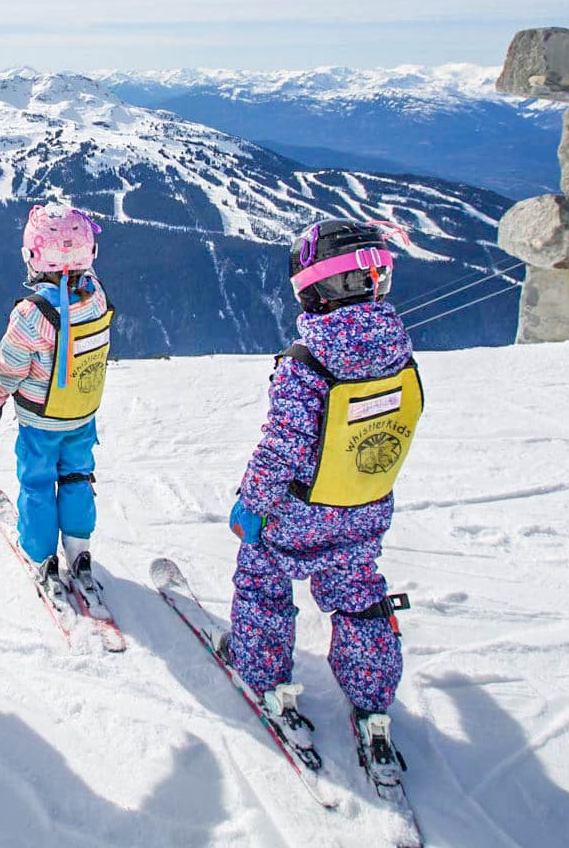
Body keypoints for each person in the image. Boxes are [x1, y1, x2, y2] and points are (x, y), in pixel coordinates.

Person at [224, 218, 423, 786]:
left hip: (298, 515)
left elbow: (280, 447)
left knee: (262, 580)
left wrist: (253, 506)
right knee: (359, 595)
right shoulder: (399, 355)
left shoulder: (307, 363)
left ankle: (262, 674)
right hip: (364, 507)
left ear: (312, 290)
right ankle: (372, 700)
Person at [0, 204, 113, 608]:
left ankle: (42, 557)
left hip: (40, 420)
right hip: (82, 414)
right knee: (76, 476)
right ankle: (79, 548)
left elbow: (9, 366)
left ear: (34, 256)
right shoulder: (95, 295)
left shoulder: (32, 314)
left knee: (37, 483)